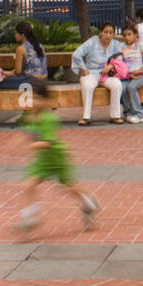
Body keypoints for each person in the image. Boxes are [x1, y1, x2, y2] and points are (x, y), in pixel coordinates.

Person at [14, 80, 100, 233]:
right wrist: (18, 141)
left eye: (36, 98)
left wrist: (29, 146)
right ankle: (30, 218)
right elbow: (28, 133)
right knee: (27, 185)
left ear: (44, 100)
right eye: (30, 98)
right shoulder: (30, 116)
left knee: (69, 188)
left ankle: (89, 203)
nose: (32, 101)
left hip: (57, 158)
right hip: (42, 161)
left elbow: (46, 142)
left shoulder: (49, 118)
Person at [70, 22, 122, 126]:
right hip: (91, 73)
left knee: (117, 84)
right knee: (88, 86)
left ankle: (115, 116)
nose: (108, 35)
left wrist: (111, 66)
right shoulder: (92, 42)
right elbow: (76, 54)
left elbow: (120, 58)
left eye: (111, 33)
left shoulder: (116, 44)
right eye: (106, 32)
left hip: (107, 75)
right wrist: (83, 68)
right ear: (100, 33)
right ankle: (86, 117)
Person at [114, 21, 143, 124]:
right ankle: (128, 113)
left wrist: (141, 70)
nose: (127, 37)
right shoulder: (121, 46)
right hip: (126, 76)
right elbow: (119, 63)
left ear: (135, 35)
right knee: (121, 89)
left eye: (129, 35)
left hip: (139, 76)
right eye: (125, 35)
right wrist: (128, 74)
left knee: (131, 87)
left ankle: (139, 114)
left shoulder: (140, 45)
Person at [0, 21, 48, 90]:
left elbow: (17, 72)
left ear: (22, 35)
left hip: (31, 81)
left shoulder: (20, 49)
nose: (15, 35)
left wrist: (3, 73)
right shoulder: (39, 45)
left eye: (16, 33)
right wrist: (5, 73)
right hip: (44, 80)